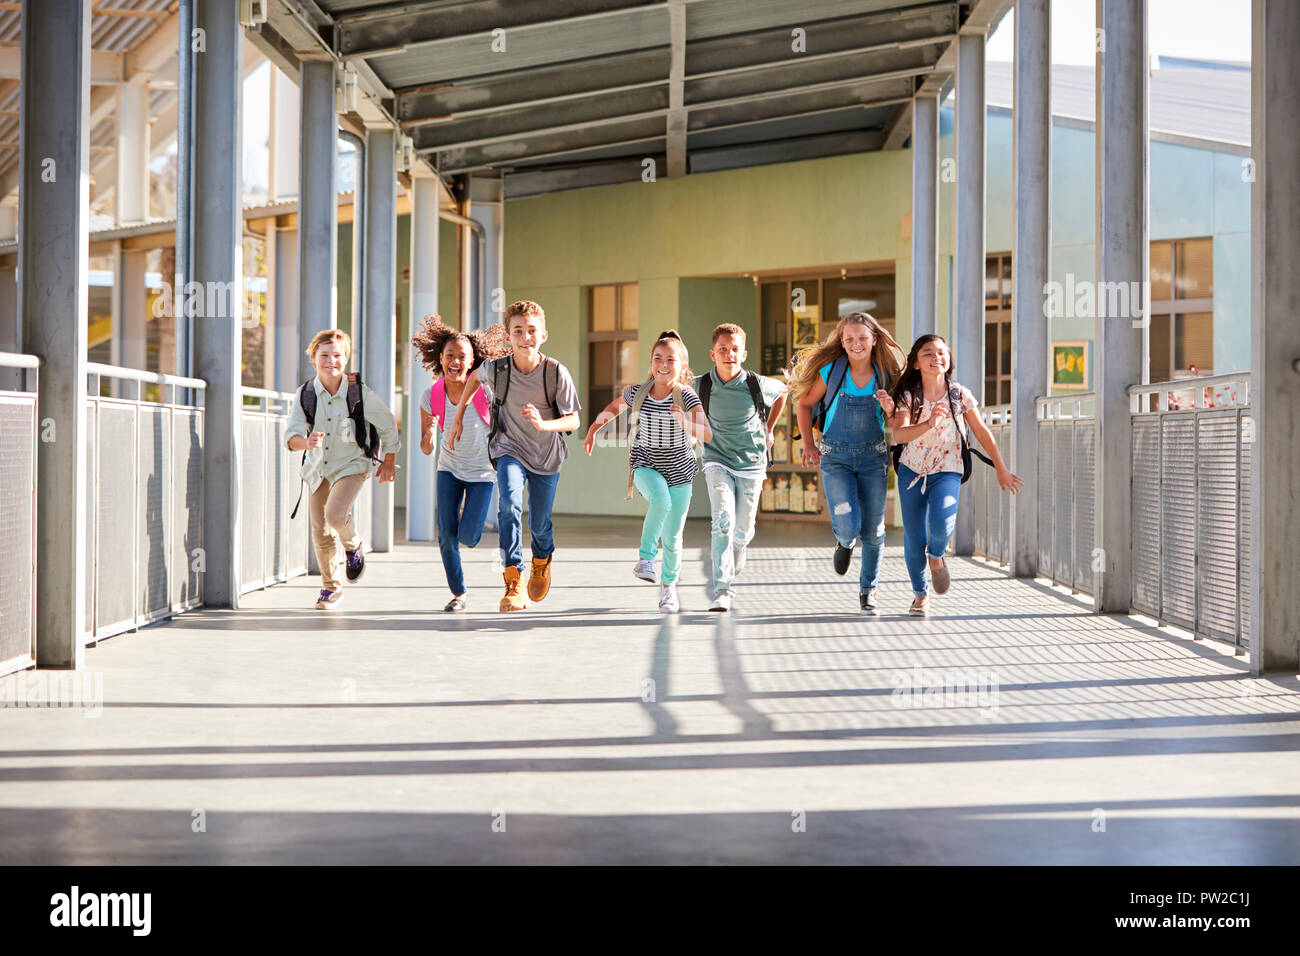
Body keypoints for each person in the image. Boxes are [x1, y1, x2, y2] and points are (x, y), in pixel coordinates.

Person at [447, 300, 581, 612]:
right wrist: (458, 415)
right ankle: (513, 579)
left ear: (543, 335)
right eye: (518, 331)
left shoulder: (555, 372)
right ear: (509, 336)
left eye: (532, 331)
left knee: (540, 522)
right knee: (508, 503)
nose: (525, 337)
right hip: (510, 449)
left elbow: (573, 420)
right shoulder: (498, 368)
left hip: (547, 456)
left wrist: (544, 424)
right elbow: (474, 378)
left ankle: (542, 559)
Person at [889, 334, 1023, 616]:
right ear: (915, 363)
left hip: (948, 468)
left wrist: (1001, 468)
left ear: (948, 360)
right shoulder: (907, 396)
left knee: (943, 521)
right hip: (911, 469)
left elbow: (982, 432)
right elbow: (899, 434)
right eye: (928, 353)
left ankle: (936, 555)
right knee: (914, 537)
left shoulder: (958, 394)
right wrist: (928, 423)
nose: (937, 357)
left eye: (942, 352)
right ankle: (920, 595)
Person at [584, 330, 712, 613]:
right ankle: (645, 559)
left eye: (671, 360)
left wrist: (686, 424)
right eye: (658, 358)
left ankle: (668, 590)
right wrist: (594, 428)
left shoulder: (686, 396)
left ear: (682, 366)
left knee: (673, 537)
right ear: (651, 362)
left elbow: (707, 433)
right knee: (660, 501)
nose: (663, 365)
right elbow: (613, 408)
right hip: (644, 464)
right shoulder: (637, 392)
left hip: (680, 472)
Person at [790, 312, 905, 615]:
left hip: (873, 457)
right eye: (850, 339)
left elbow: (897, 420)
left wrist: (890, 408)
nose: (856, 344)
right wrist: (809, 444)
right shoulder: (831, 372)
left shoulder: (884, 374)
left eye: (862, 338)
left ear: (874, 340)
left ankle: (869, 591)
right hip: (836, 457)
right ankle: (844, 541)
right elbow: (804, 404)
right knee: (847, 522)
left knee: (874, 529)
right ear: (842, 341)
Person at [286, 329, 400, 609]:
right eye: (324, 355)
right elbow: (291, 437)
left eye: (337, 355)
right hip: (318, 469)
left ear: (345, 359)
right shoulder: (305, 393)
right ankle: (331, 588)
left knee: (335, 515)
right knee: (320, 531)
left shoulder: (359, 393)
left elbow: (386, 423)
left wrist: (388, 459)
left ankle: (352, 545)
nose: (330, 361)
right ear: (313, 359)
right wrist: (307, 442)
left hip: (352, 464)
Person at [411, 315, 510, 612]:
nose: (455, 361)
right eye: (450, 355)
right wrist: (428, 437)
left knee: (468, 536)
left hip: (481, 473)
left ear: (472, 362)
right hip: (449, 469)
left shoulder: (485, 391)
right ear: (440, 359)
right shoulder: (431, 395)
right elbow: (426, 445)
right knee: (446, 535)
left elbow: (504, 422)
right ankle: (459, 593)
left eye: (462, 357)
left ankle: (471, 514)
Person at [693, 323, 788, 612]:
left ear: (743, 354)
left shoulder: (755, 384)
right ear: (712, 353)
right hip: (716, 458)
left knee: (742, 529)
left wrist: (769, 429)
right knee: (722, 520)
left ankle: (741, 543)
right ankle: (722, 589)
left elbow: (783, 392)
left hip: (751, 463)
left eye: (734, 349)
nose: (728, 354)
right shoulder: (700, 384)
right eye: (722, 349)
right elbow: (677, 395)